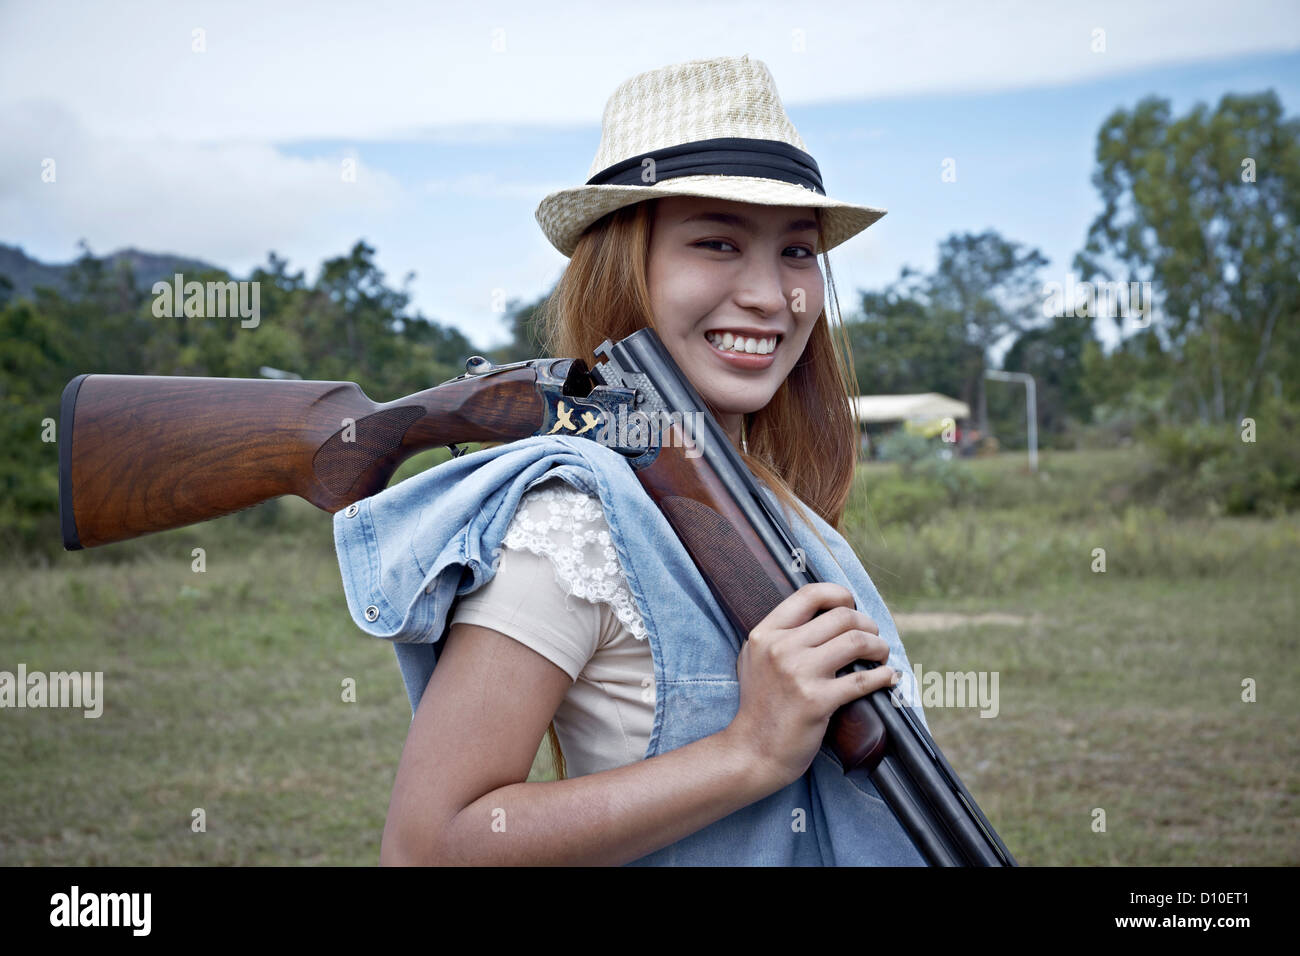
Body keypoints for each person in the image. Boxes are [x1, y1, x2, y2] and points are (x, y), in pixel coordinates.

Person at [368, 54, 926, 866]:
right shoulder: (571, 522)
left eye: (797, 253)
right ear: (625, 265)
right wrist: (748, 754)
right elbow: (426, 848)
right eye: (716, 242)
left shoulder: (772, 504)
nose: (772, 295)